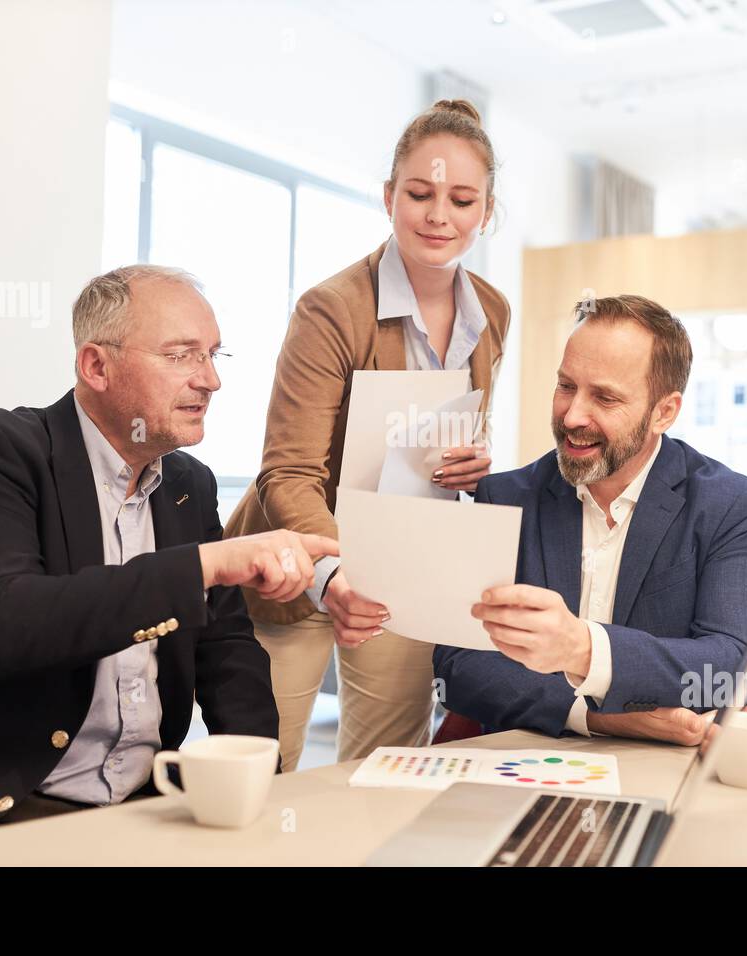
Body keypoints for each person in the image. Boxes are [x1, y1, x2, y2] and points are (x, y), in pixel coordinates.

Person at [0, 265, 336, 850]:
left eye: (214, 355)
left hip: (137, 809)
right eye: (181, 356)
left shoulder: (191, 484)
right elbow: (2, 623)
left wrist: (259, 789)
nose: (210, 380)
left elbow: (227, 649)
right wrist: (204, 565)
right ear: (96, 366)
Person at [224, 99, 511, 772]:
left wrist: (473, 459)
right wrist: (333, 577)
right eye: (419, 193)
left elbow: (460, 423)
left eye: (462, 199)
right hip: (300, 566)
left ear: (486, 213)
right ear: (389, 197)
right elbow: (287, 473)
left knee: (385, 770)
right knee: (266, 768)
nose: (439, 215)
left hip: (404, 560)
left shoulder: (492, 311)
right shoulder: (331, 309)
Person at [434, 295, 747, 745]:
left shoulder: (732, 505)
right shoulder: (506, 497)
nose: (573, 416)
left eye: (605, 397)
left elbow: (735, 668)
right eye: (565, 386)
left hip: (672, 763)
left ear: (664, 412)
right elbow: (458, 665)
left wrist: (583, 647)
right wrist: (597, 718)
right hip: (534, 754)